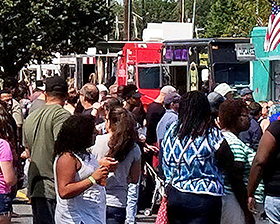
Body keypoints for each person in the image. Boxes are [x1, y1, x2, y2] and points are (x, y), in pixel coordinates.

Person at [161, 91, 248, 224]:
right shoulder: (209, 132)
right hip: (205, 198)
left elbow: (163, 160)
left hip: (175, 196)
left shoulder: (171, 131)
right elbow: (229, 162)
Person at [22, 75, 70, 224]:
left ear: (45, 94)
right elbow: (65, 149)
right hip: (54, 185)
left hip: (37, 185)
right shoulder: (62, 115)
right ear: (66, 95)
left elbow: (27, 151)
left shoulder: (31, 117)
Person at [53, 114, 111, 224]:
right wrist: (93, 179)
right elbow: (64, 191)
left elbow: (84, 173)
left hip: (92, 215)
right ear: (82, 135)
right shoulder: (67, 158)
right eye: (92, 133)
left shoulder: (85, 154)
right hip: (75, 218)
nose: (96, 134)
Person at [91, 107, 141, 224]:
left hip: (95, 199)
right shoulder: (133, 147)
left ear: (110, 122)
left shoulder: (96, 142)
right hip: (117, 202)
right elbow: (134, 178)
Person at [217, 99, 259, 224]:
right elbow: (236, 177)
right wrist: (246, 206)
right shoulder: (233, 143)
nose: (249, 119)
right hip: (233, 201)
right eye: (244, 116)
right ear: (233, 118)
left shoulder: (222, 137)